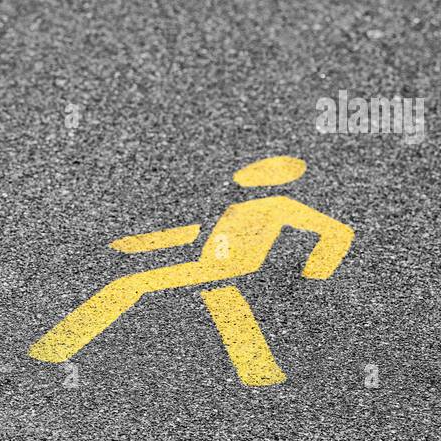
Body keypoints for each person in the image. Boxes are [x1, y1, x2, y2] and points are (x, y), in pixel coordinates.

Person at [28, 156, 354, 386]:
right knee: (225, 302)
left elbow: (337, 231)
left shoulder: (280, 205)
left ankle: (57, 347)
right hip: (215, 264)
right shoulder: (236, 207)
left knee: (132, 284)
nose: (250, 177)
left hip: (233, 264)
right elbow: (196, 234)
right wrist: (138, 244)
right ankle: (260, 371)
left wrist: (317, 271)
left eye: (259, 173)